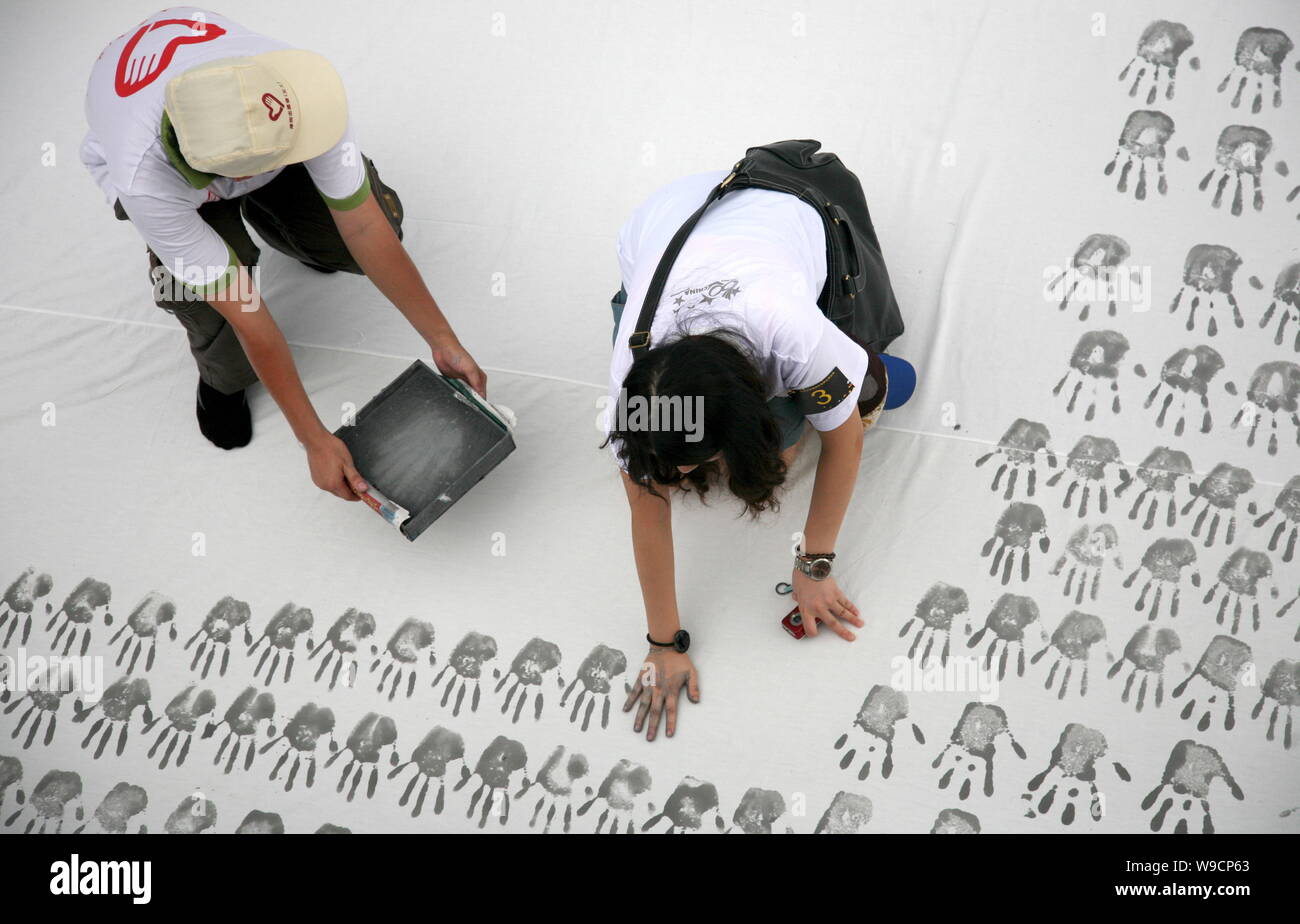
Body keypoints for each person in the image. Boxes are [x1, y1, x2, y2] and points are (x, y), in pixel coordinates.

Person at [80, 8, 485, 501]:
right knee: (208, 305)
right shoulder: (147, 182)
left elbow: (362, 224)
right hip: (184, 178)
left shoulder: (296, 88)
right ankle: (221, 379)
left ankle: (295, 231)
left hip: (256, 143)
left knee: (361, 230)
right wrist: (313, 439)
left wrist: (443, 340)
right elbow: (249, 315)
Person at [606, 168, 916, 741]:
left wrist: (814, 566)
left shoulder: (791, 334)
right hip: (667, 232)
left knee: (832, 424)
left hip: (789, 209)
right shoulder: (637, 372)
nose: (672, 480)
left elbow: (844, 443)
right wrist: (661, 642)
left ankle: (868, 373)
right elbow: (646, 509)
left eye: (689, 462)